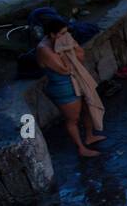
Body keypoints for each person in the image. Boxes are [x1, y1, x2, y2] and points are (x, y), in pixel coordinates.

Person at [35, 16, 102, 157]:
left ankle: (89, 136)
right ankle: (81, 148)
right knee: (73, 119)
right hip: (62, 88)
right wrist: (66, 47)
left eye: (66, 33)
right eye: (62, 33)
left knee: (87, 108)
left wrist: (71, 45)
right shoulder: (44, 49)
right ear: (52, 34)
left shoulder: (64, 41)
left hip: (76, 81)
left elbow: (81, 56)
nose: (66, 36)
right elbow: (64, 69)